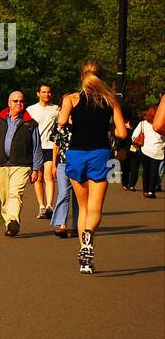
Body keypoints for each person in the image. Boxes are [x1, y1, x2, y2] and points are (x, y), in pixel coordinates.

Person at [54, 61, 128, 273]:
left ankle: (85, 256)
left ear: (81, 77)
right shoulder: (109, 99)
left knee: (82, 207)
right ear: (101, 77)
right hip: (100, 154)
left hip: (75, 154)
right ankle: (88, 241)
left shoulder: (71, 99)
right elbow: (122, 133)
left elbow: (61, 123)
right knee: (95, 208)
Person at [0, 91, 42, 237]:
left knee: (15, 193)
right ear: (9, 103)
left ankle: (13, 221)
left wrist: (36, 169)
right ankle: (9, 225)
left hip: (21, 164)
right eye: (16, 101)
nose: (19, 104)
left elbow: (37, 148)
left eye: (22, 101)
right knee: (4, 197)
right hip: (0, 164)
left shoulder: (30, 124)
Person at [27, 84, 59, 217]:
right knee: (38, 178)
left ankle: (49, 206)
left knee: (49, 176)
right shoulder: (31, 110)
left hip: (50, 146)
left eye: (49, 92)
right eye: (44, 92)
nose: (46, 94)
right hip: (36, 147)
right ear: (38, 94)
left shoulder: (56, 109)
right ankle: (41, 206)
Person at [49, 117, 78, 237]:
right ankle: (62, 225)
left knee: (78, 196)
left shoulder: (80, 124)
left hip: (78, 163)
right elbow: (56, 146)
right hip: (62, 163)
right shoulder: (58, 126)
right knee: (63, 193)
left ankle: (77, 226)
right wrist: (53, 165)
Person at [132, 105, 164, 199]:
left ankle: (145, 190)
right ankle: (151, 191)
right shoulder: (161, 125)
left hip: (145, 149)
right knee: (154, 172)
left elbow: (134, 136)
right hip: (157, 150)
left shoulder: (143, 124)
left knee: (146, 171)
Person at [121, 106, 142, 192]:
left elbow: (121, 137)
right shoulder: (140, 123)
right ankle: (132, 185)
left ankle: (125, 184)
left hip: (124, 148)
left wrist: (117, 148)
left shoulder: (123, 123)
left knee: (124, 168)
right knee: (134, 168)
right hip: (136, 147)